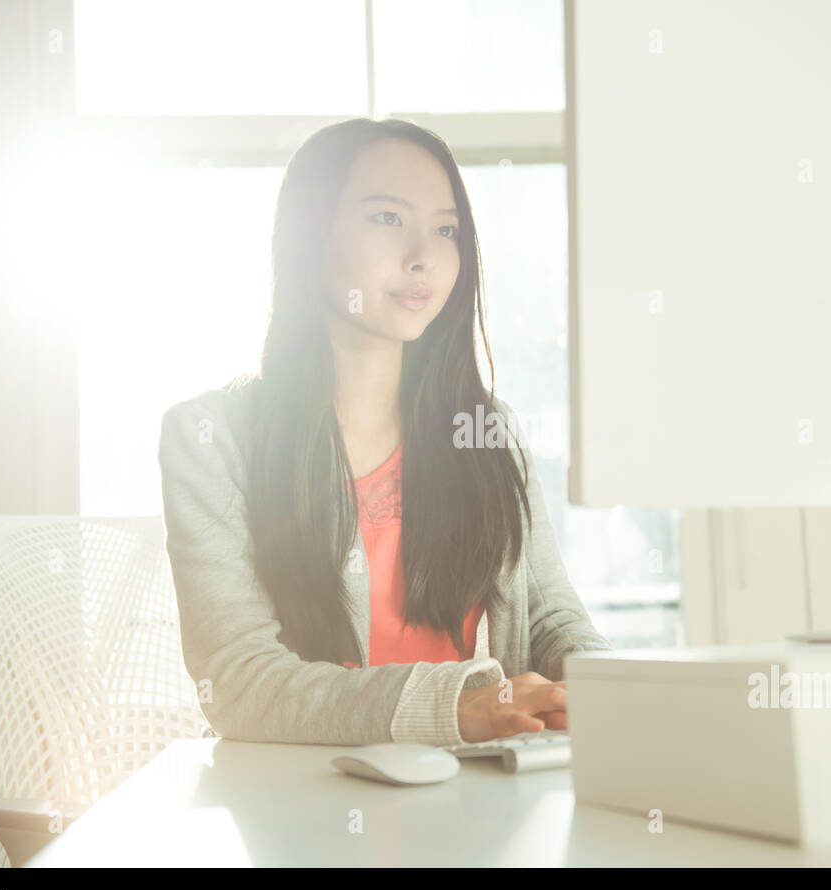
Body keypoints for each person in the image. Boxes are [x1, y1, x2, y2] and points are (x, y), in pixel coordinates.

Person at [158, 117, 611, 747]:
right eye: (388, 219)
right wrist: (456, 706)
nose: (424, 254)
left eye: (446, 229)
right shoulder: (211, 440)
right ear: (309, 236)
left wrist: (616, 690)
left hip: (490, 802)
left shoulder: (486, 430)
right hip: (306, 814)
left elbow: (552, 618)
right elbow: (240, 683)